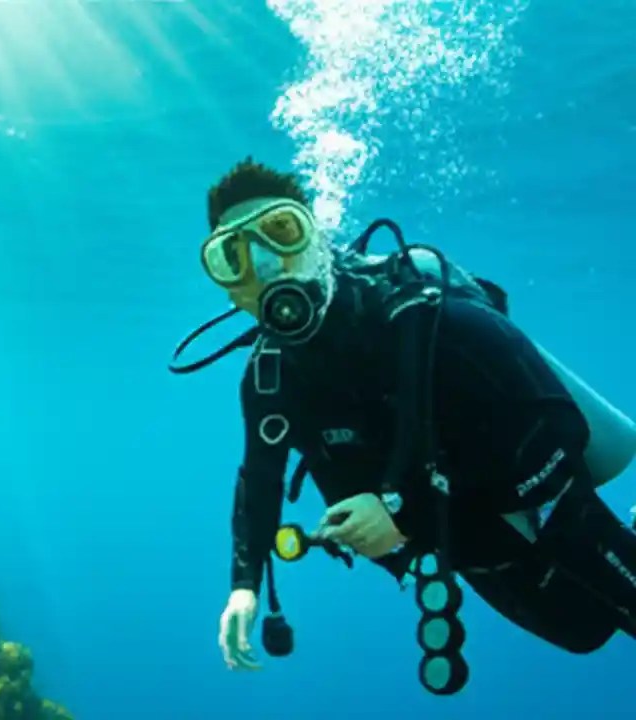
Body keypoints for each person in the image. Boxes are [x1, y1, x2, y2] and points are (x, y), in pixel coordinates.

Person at [171, 157, 636, 694]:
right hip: (467, 548)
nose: (265, 264)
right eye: (232, 256)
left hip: (548, 514)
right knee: (581, 633)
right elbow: (259, 476)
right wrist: (244, 586)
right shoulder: (269, 379)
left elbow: (557, 433)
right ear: (228, 289)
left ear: (317, 237)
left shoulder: (425, 316)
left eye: (281, 231)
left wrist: (402, 510)